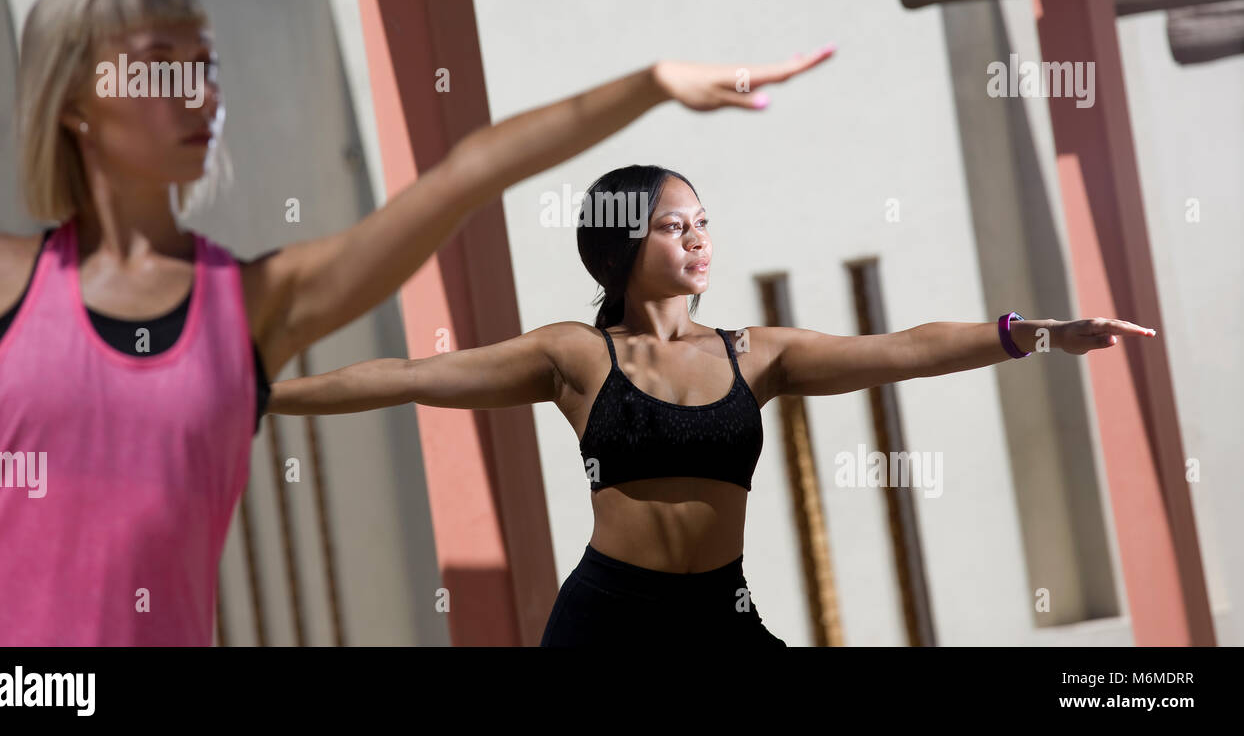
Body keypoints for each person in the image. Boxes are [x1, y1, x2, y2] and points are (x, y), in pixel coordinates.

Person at [0, 0, 834, 646]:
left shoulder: (256, 300)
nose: (198, 91)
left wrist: (650, 82)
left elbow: (465, 175)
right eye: (156, 65)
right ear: (72, 100)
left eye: (206, 64)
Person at [267, 164, 1158, 647]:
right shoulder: (574, 356)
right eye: (671, 223)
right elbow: (410, 377)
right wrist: (263, 397)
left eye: (701, 220)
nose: (697, 236)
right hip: (608, 620)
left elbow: (904, 350)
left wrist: (1036, 331)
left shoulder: (755, 353)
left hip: (720, 615)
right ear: (622, 245)